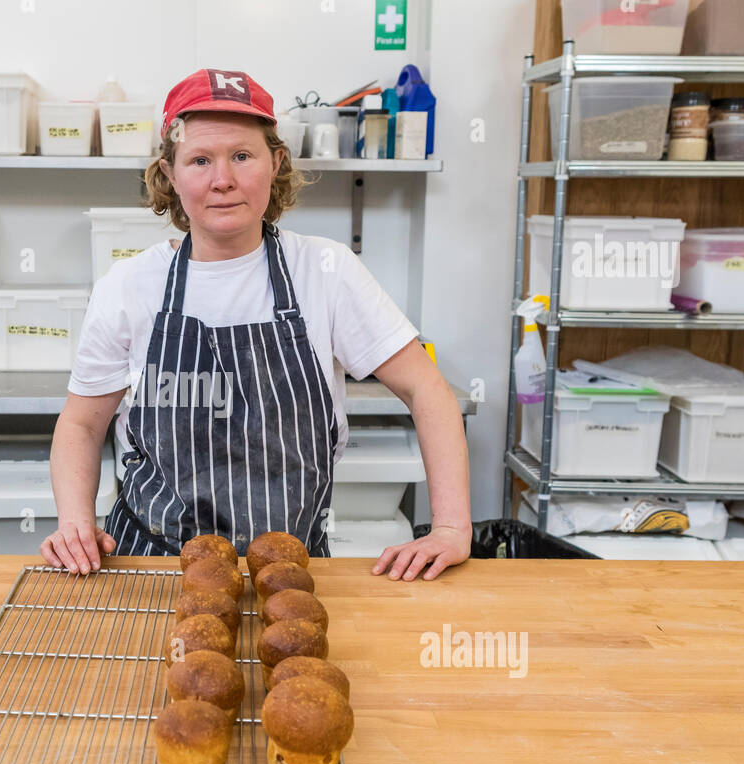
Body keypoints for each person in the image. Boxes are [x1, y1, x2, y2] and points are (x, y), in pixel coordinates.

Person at [41, 68, 470, 581]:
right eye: (200, 160)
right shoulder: (130, 284)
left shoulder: (326, 271)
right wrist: (74, 521)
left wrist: (449, 528)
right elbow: (82, 423)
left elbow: (428, 390)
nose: (222, 179)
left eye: (242, 156)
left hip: (287, 572)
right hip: (152, 569)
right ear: (170, 174)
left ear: (276, 163)